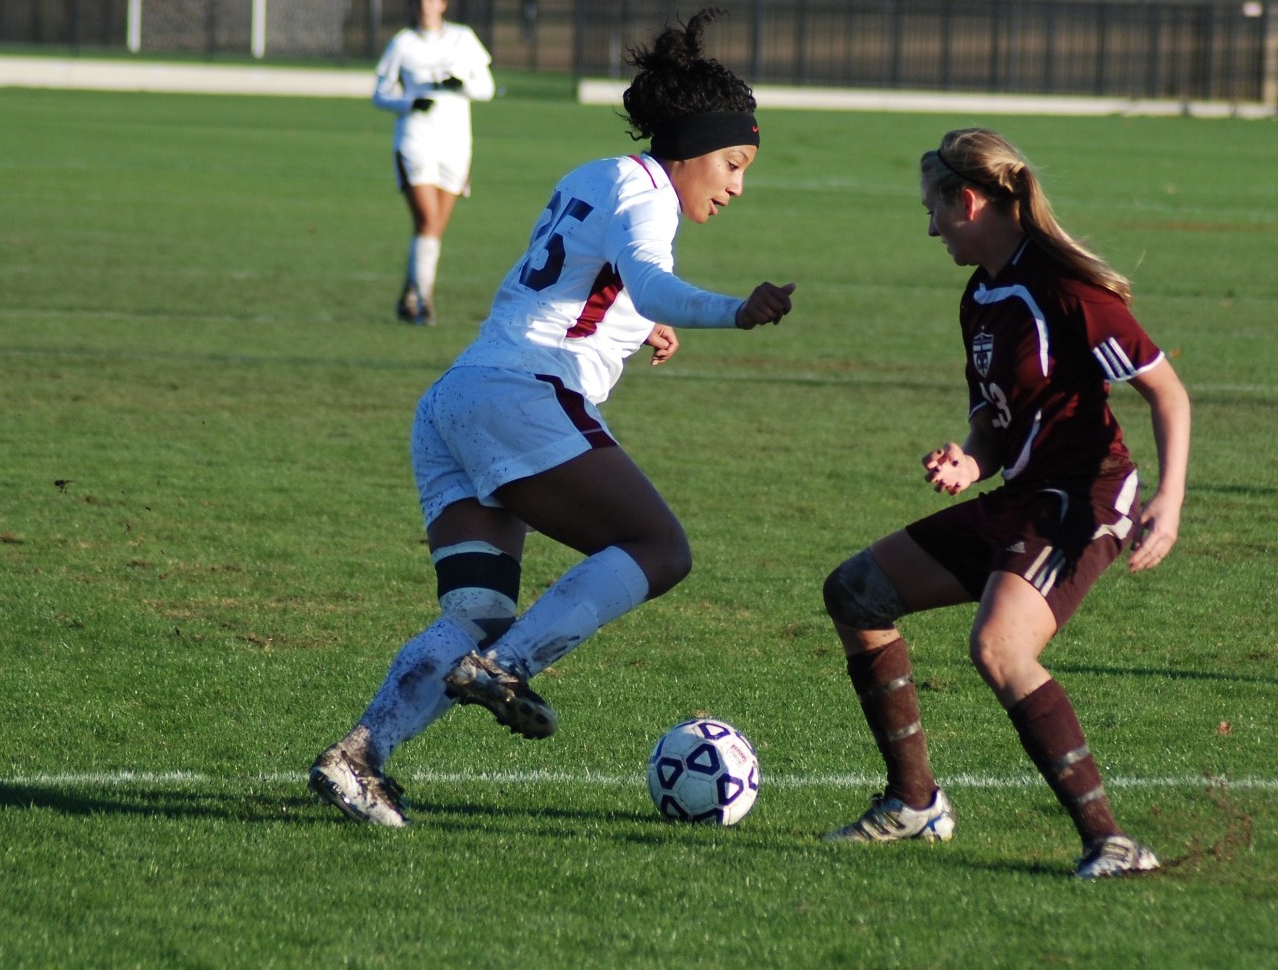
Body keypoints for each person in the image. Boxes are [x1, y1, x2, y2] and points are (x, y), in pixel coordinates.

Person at [310, 8, 797, 827]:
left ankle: (358, 759)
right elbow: (646, 279)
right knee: (658, 549)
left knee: (474, 611)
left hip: (456, 399)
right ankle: (505, 670)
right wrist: (730, 311)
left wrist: (642, 323)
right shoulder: (650, 200)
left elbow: (572, 283)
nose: (737, 184)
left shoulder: (595, 175)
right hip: (523, 396)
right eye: (732, 162)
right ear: (688, 147)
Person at [820, 127, 1190, 879]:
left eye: (932, 210)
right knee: (855, 593)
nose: (929, 229)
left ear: (969, 200)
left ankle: (1112, 842)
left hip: (1081, 496)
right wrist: (966, 459)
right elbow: (994, 420)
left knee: (998, 649)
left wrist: (1169, 498)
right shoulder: (980, 297)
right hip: (1022, 495)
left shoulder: (1063, 289)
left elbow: (1165, 392)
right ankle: (914, 801)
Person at [373, 0, 497, 325]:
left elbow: (486, 89)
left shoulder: (463, 38)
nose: (425, 5)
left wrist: (462, 84)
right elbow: (380, 94)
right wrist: (410, 102)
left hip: (455, 144)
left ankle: (409, 295)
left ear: (443, 4)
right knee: (428, 221)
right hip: (416, 140)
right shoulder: (402, 43)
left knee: (433, 229)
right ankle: (424, 303)